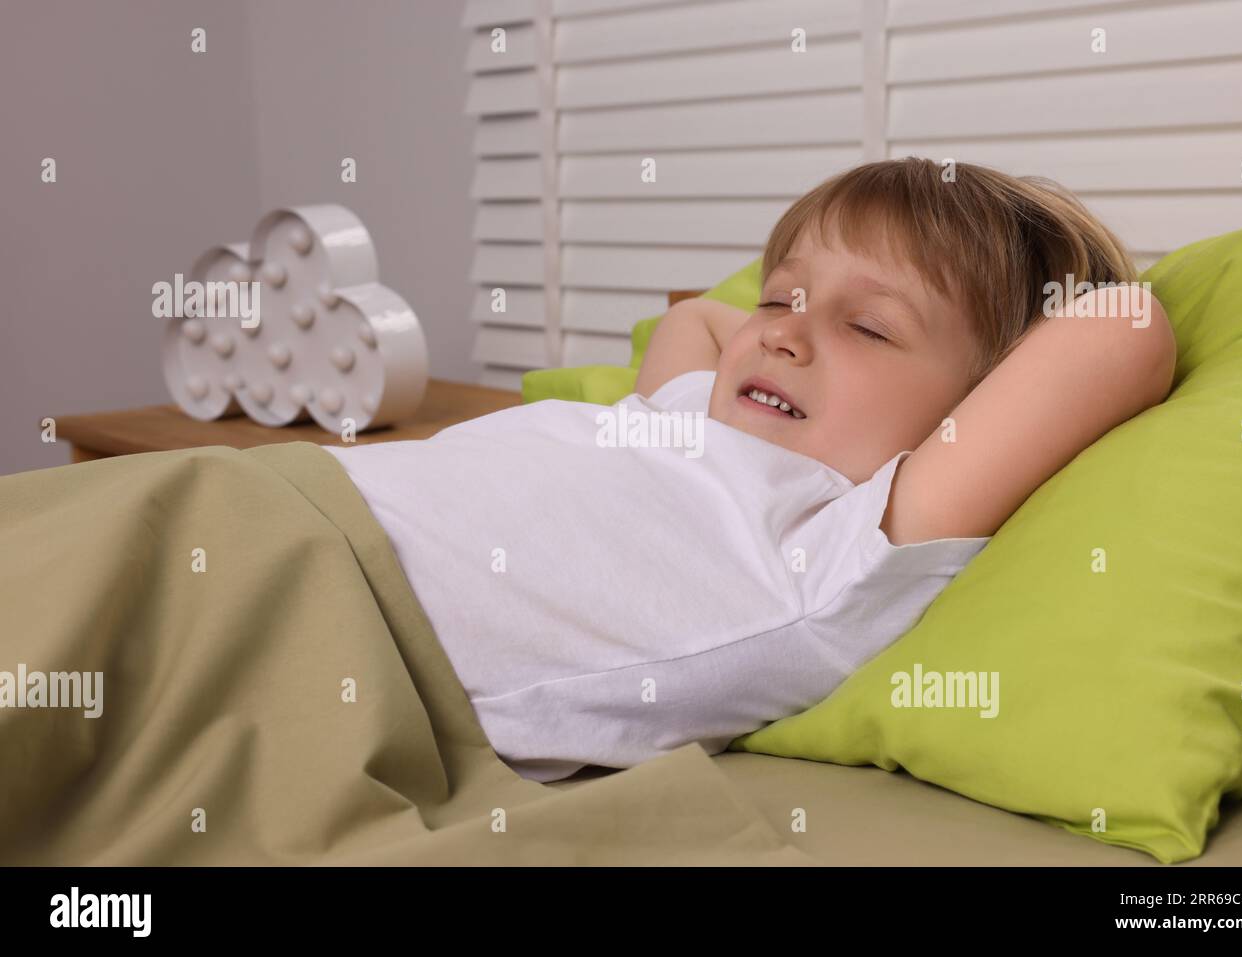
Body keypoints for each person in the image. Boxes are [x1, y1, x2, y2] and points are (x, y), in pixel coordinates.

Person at [325, 158, 1177, 782]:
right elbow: (696, 320)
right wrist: (807, 320)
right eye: (778, 298)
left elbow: (1125, 326)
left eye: (871, 328)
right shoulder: (686, 418)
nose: (778, 332)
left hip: (330, 613)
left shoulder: (848, 538)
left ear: (982, 412)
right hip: (309, 495)